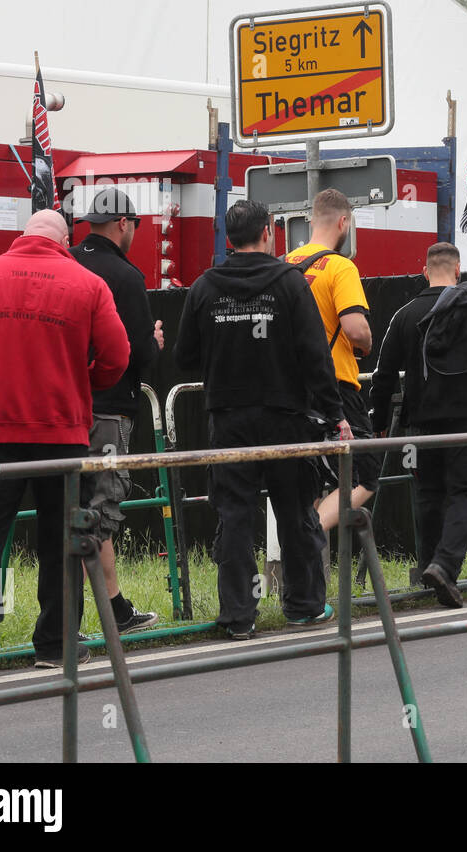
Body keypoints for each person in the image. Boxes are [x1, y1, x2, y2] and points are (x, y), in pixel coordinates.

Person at [0, 209, 130, 678]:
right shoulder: (87, 285)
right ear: (63, 242)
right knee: (63, 539)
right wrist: (85, 383)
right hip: (62, 435)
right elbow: (118, 354)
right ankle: (56, 644)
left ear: (24, 236)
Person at [174, 200, 343, 639]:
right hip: (287, 417)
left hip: (229, 419)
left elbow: (184, 356)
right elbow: (315, 357)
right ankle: (304, 606)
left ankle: (238, 617)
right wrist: (334, 414)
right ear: (269, 232)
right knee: (294, 510)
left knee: (234, 514)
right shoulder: (289, 282)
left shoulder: (205, 286)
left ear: (229, 238)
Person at [369, 243, 467, 606]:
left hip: (420, 426)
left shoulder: (404, 315)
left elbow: (382, 374)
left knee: (429, 495)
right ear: (458, 271)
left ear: (424, 271)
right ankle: (445, 567)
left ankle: (429, 571)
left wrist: (380, 421)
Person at [70, 187, 162, 634]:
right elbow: (140, 356)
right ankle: (114, 613)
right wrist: (155, 342)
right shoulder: (125, 276)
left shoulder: (65, 262)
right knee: (100, 511)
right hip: (108, 410)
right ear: (123, 224)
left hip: (63, 409)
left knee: (69, 508)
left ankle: (72, 621)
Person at [284, 189, 378, 537]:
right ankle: (310, 537)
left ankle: (304, 572)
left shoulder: (283, 264)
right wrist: (366, 343)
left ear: (311, 220)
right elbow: (355, 328)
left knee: (306, 479)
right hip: (336, 386)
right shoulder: (341, 267)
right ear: (343, 223)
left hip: (290, 391)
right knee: (366, 473)